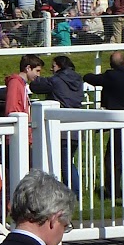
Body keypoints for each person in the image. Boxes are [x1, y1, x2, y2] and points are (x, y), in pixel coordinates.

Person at [84, 52, 124, 202]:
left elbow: (91, 78)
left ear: (111, 65)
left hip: (117, 122)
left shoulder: (110, 76)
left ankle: (113, 189)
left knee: (113, 160)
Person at [31, 55, 85, 193]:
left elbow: (36, 86)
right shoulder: (78, 80)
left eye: (53, 66)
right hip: (75, 127)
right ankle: (72, 192)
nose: (51, 69)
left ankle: (74, 194)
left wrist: (34, 78)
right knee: (67, 161)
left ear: (59, 66)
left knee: (65, 163)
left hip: (61, 128)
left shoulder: (56, 80)